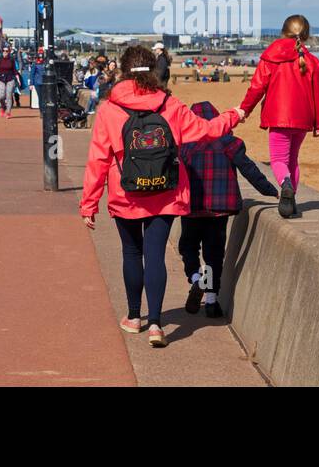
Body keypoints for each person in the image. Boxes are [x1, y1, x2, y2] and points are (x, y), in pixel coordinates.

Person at [80, 46, 246, 348]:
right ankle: (156, 325)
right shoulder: (170, 104)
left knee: (132, 254)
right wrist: (234, 115)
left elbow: (98, 160)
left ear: (123, 72)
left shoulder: (108, 109)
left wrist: (89, 203)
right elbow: (207, 131)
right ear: (155, 71)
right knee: (154, 255)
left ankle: (134, 317)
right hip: (165, 192)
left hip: (125, 193)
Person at [179, 101, 279, 318]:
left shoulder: (184, 143)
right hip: (220, 208)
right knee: (214, 253)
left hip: (192, 207)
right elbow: (249, 169)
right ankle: (212, 302)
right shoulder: (228, 141)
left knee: (188, 246)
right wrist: (270, 191)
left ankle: (196, 279)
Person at [239, 14, 319, 219]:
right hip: (303, 117)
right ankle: (292, 200)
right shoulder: (312, 61)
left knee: (278, 159)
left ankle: (285, 185)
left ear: (283, 31)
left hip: (278, 116)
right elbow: (318, 94)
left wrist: (245, 109)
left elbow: (257, 86)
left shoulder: (271, 55)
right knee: (292, 159)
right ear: (305, 35)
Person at [0, 45, 18, 118]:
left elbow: (14, 70)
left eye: (7, 51)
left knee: (9, 95)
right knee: (1, 96)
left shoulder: (11, 59)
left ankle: (8, 112)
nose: (5, 52)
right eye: (4, 51)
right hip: (1, 79)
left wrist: (18, 79)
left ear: (9, 52)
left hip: (10, 79)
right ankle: (3, 107)